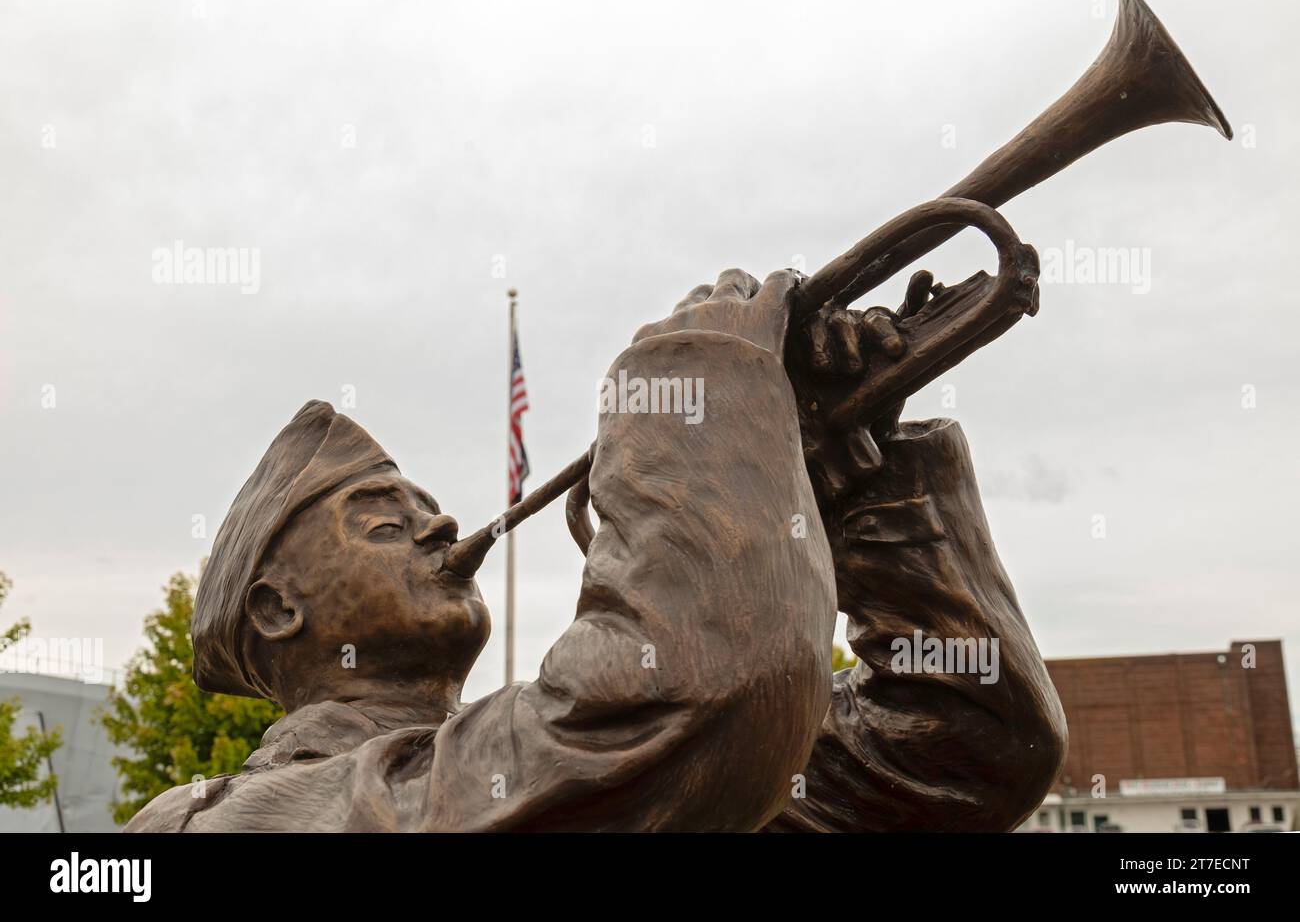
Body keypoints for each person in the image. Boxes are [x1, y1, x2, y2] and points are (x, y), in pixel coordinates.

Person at [126, 268, 1065, 832]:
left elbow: (966, 755)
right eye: (383, 519)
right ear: (278, 610)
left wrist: (864, 495)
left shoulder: (512, 765)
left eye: (429, 504)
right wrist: (691, 391)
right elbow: (708, 691)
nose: (443, 526)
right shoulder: (244, 818)